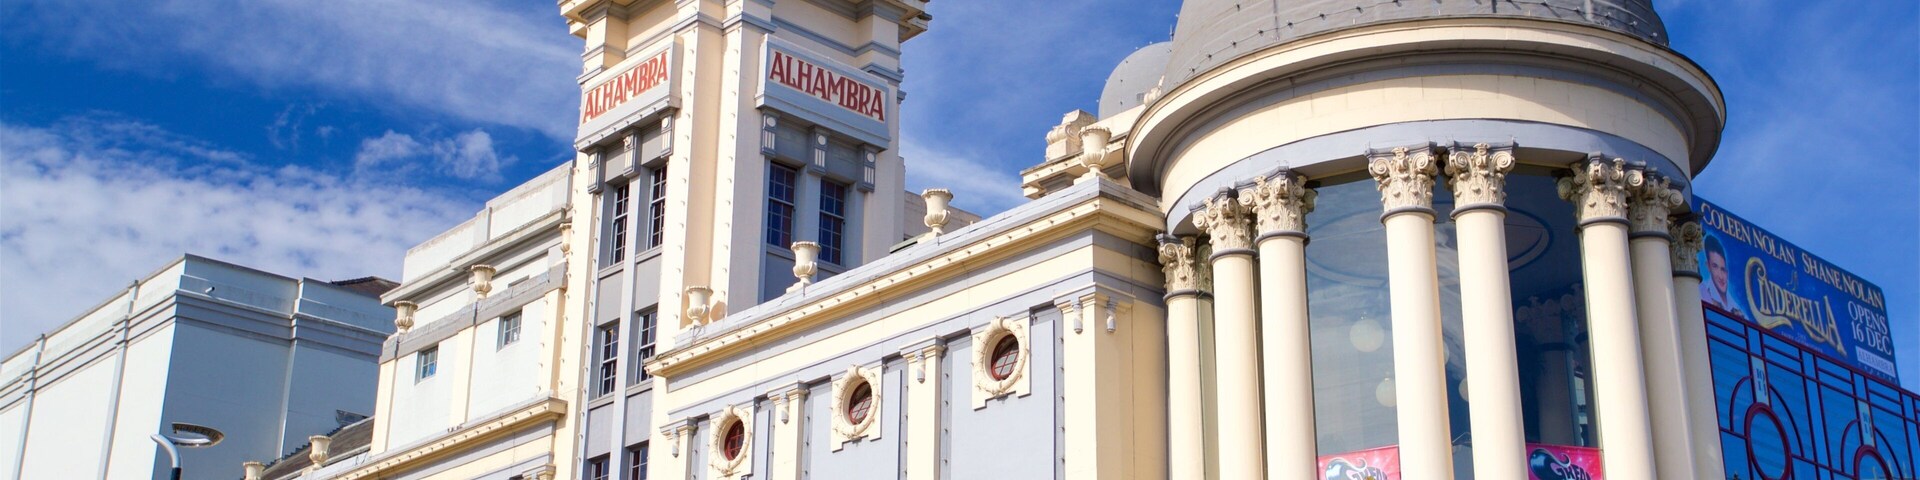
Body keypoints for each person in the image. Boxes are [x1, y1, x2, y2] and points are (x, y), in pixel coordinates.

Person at [1701, 235, 1747, 321]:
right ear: (1708, 266)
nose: (1721, 276)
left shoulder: (1737, 308)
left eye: (1723, 269)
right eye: (1715, 266)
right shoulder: (1702, 293)